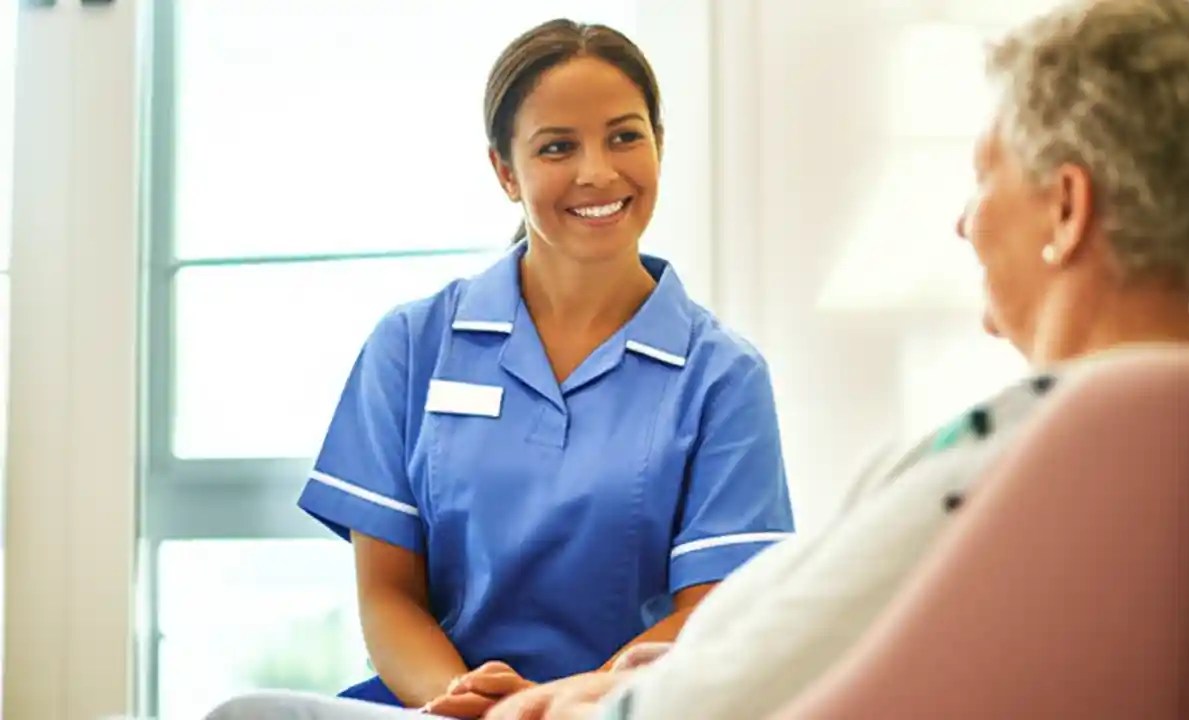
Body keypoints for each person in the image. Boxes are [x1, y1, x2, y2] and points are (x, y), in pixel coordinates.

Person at [471, 0, 1189, 717]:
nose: (965, 223)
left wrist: (570, 709)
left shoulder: (1007, 458)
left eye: (985, 176)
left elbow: (719, 699)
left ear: (1065, 206)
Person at [209, 17, 794, 719]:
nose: (598, 171)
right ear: (505, 172)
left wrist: (560, 706)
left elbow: (711, 616)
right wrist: (469, 706)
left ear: (659, 146)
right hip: (439, 709)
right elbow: (388, 594)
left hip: (617, 711)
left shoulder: (722, 377)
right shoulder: (411, 345)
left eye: (624, 135)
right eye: (557, 147)